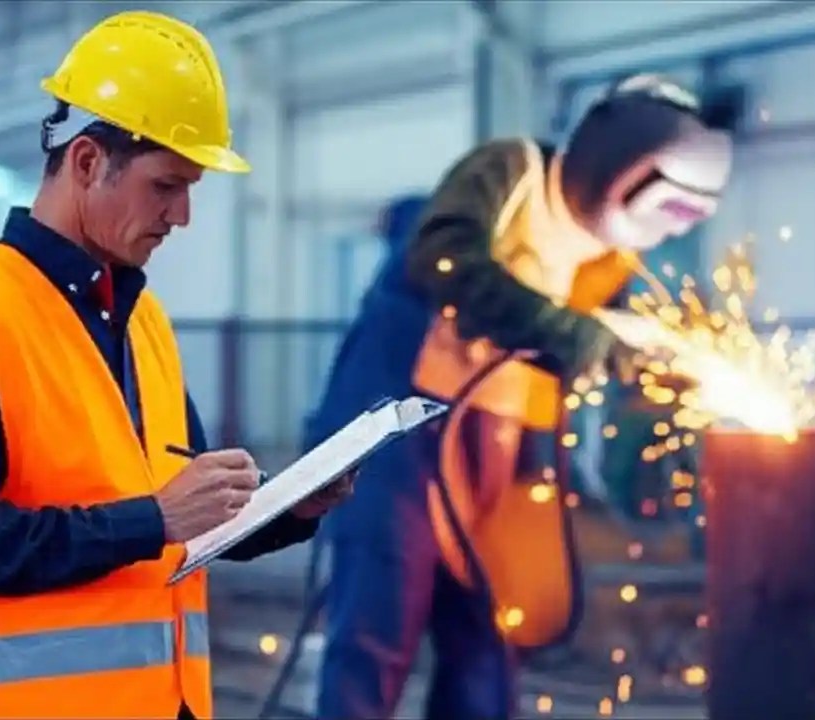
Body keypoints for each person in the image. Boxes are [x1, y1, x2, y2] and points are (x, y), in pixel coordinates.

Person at [0, 11, 352, 720]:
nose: (181, 215)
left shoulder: (141, 321)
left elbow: (185, 514)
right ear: (88, 162)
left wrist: (289, 508)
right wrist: (150, 520)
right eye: (166, 185)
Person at [309, 74, 743, 719]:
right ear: (621, 166)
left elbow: (610, 348)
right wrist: (578, 333)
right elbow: (444, 257)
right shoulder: (513, 172)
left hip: (506, 457)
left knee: (490, 646)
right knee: (377, 633)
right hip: (399, 442)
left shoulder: (614, 257)